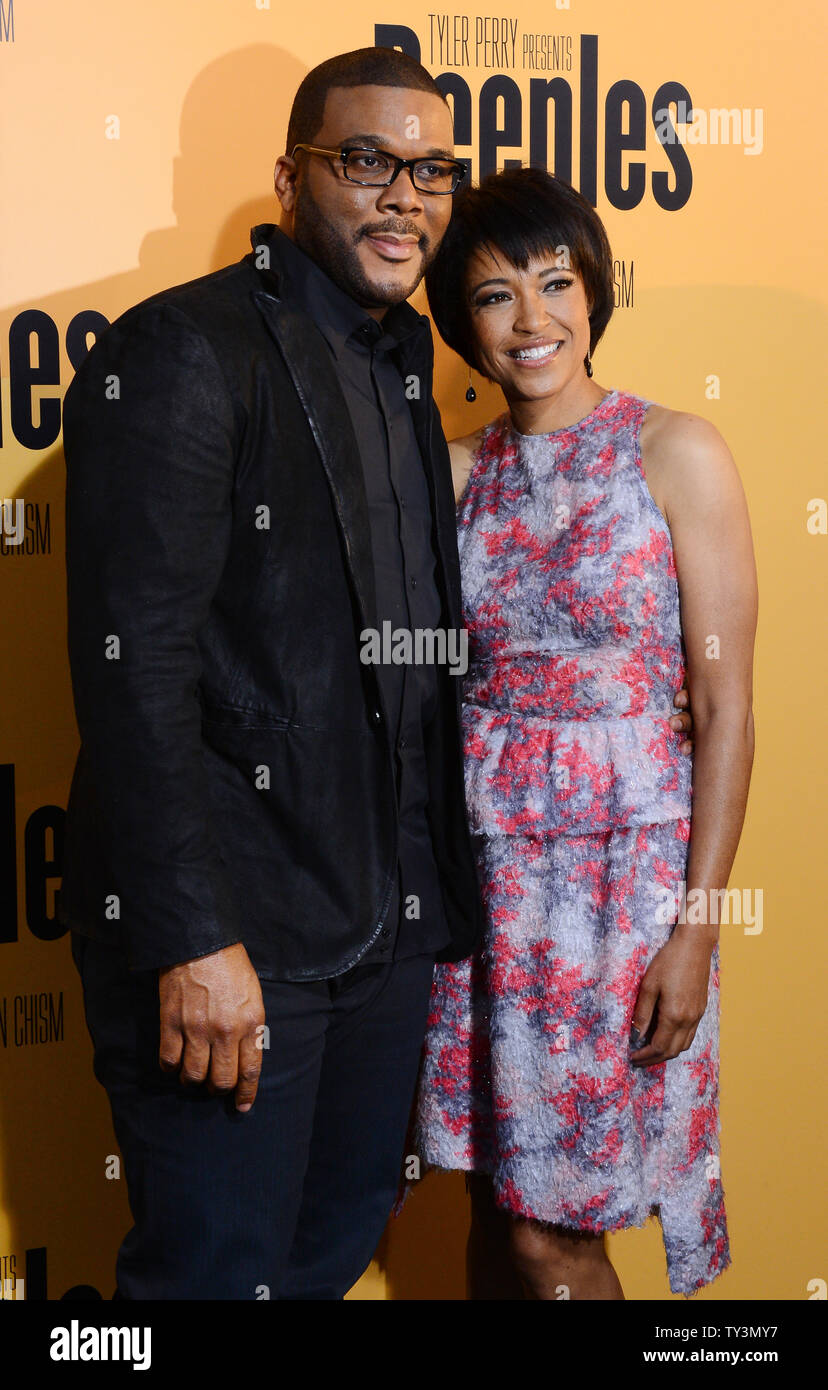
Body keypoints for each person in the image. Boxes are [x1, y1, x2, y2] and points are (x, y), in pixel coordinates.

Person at [60, 46, 693, 1300]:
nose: (405, 195)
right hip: (242, 942)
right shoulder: (185, 350)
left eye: (431, 170)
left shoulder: (408, 361)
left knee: (325, 1256)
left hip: (392, 932)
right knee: (213, 1275)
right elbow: (134, 674)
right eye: (367, 162)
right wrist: (192, 939)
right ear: (289, 178)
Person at [413, 167, 757, 1300]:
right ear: (460, 321)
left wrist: (696, 934)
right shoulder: (453, 475)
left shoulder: (677, 450)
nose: (531, 321)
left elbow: (727, 711)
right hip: (485, 885)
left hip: (624, 893)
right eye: (494, 295)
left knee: (555, 1233)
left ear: (596, 290)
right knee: (497, 1204)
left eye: (555, 283)